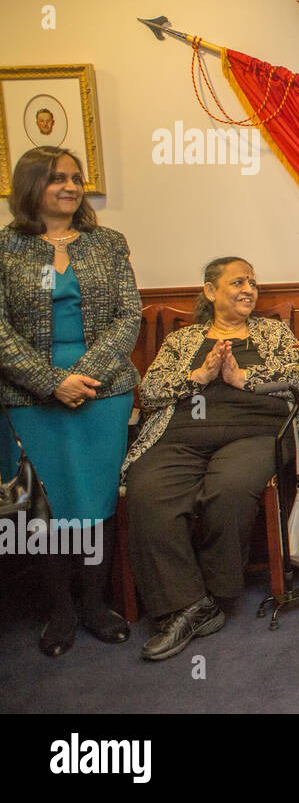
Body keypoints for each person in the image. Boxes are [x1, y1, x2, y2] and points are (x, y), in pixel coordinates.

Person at [122, 256, 299, 660]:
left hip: (254, 430)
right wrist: (199, 377)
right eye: (238, 282)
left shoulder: (272, 332)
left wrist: (244, 379)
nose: (249, 290)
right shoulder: (182, 341)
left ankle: (216, 592)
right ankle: (189, 605)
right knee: (147, 489)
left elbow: (298, 379)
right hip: (183, 433)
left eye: (253, 283)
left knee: (229, 489)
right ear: (210, 291)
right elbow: (149, 392)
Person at [0, 145, 140, 656]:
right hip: (31, 396)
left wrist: (82, 376)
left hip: (102, 394)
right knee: (49, 507)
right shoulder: (5, 248)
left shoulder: (108, 243)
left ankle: (95, 605)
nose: (70, 186)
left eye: (76, 178)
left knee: (96, 501)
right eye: (58, 177)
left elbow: (130, 317)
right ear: (31, 186)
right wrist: (49, 380)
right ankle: (59, 610)